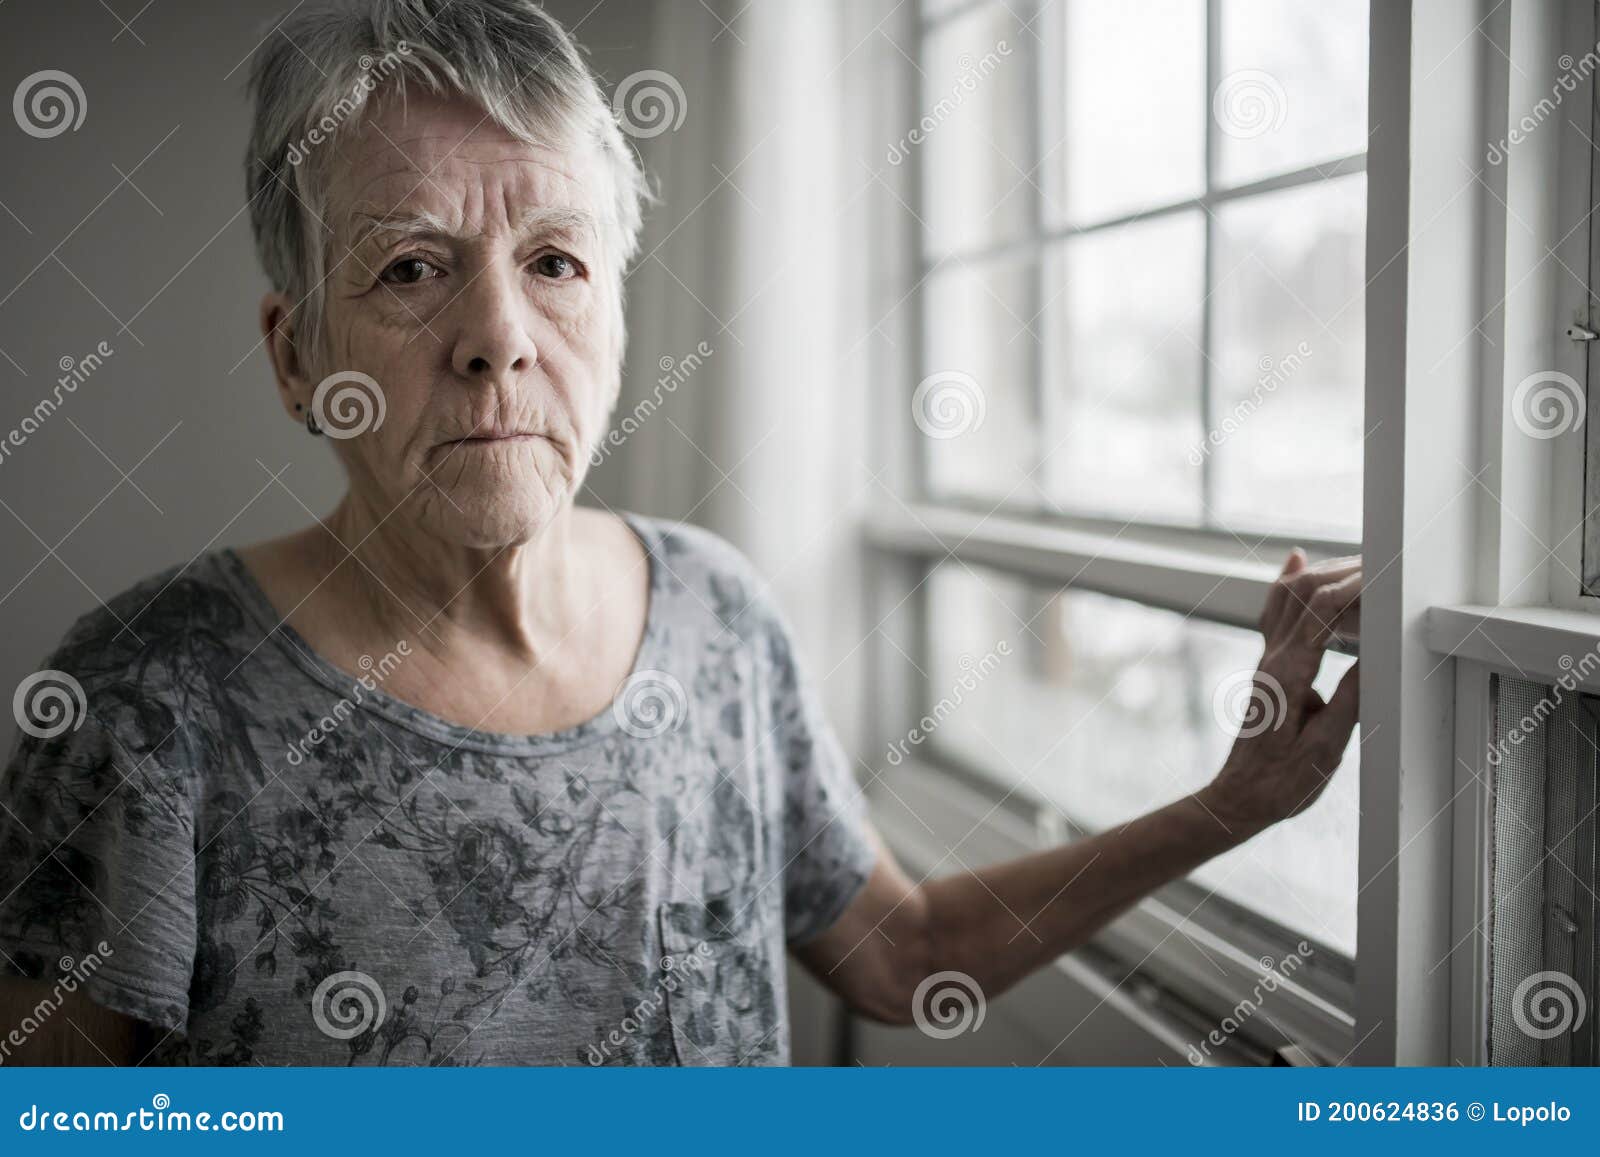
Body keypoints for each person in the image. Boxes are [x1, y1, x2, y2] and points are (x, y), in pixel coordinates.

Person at [0, 0, 1361, 1065]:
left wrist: (1234, 803)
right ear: (296, 355)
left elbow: (898, 953)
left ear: (616, 313)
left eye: (555, 262)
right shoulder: (147, 698)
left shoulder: (717, 613)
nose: (496, 340)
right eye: (411, 269)